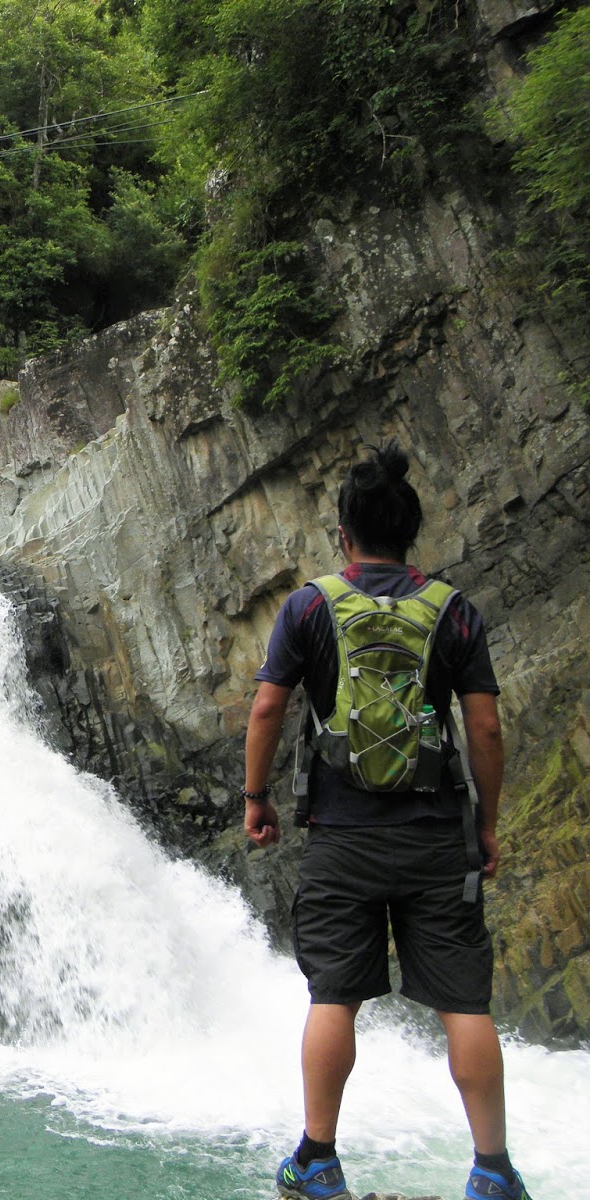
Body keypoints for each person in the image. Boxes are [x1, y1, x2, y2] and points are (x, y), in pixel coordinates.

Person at [241, 443, 532, 1200]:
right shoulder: (453, 611)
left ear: (344, 533)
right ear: (411, 532)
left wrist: (255, 797)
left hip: (341, 837)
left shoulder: (309, 606)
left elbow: (269, 705)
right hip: (438, 835)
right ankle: (493, 1170)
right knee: (464, 1002)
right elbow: (487, 729)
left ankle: (318, 1160)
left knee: (334, 994)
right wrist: (488, 825)